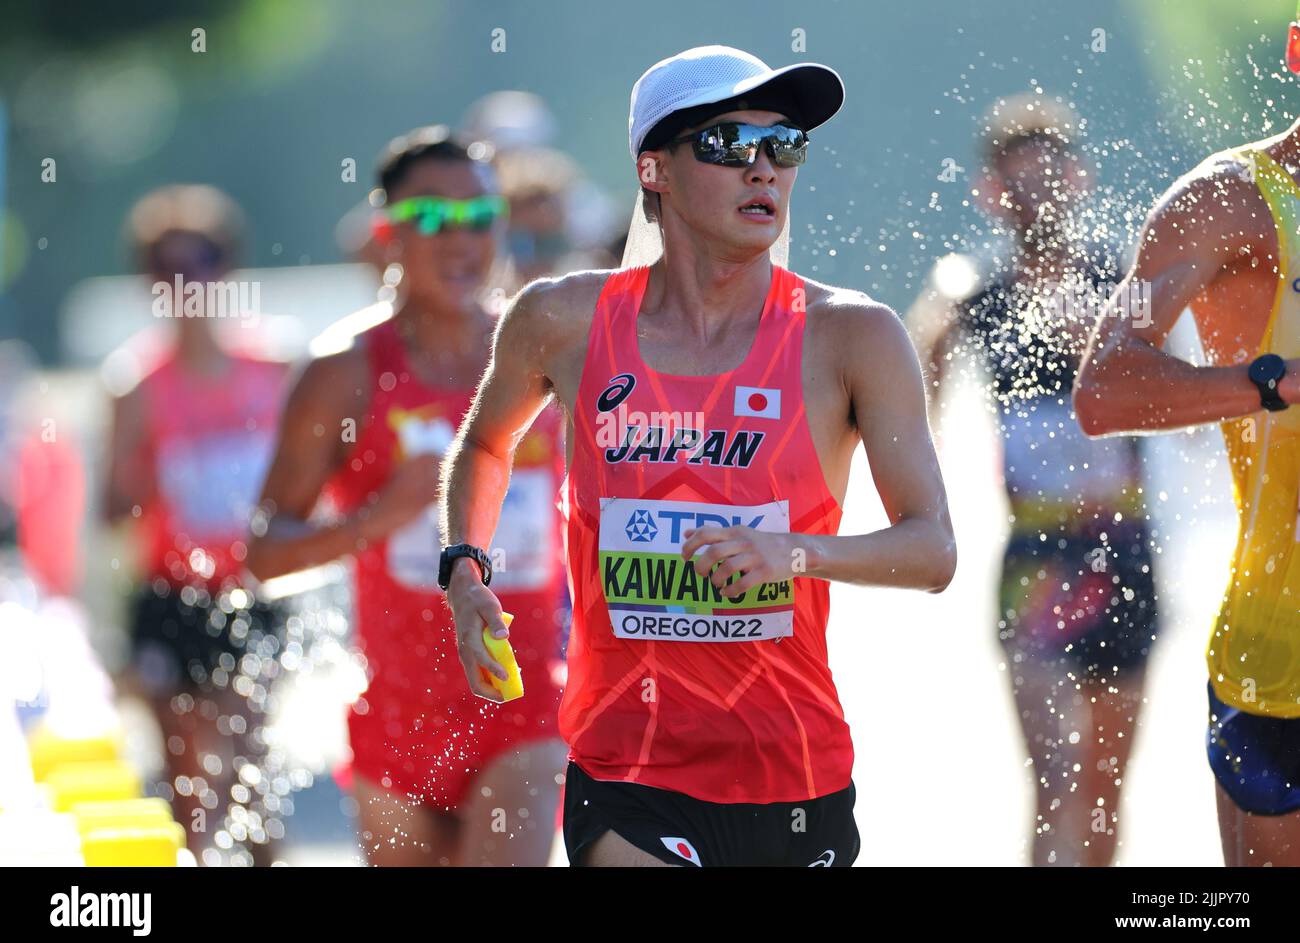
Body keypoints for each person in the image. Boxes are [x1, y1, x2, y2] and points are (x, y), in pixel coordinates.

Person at [439, 45, 956, 867]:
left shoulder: (853, 336)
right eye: (727, 144)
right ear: (656, 171)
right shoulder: (561, 322)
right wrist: (465, 571)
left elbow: (932, 550)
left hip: (794, 772)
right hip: (625, 766)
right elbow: (487, 442)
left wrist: (790, 554)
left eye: (784, 145)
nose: (764, 170)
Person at [245, 125, 568, 867]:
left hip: (523, 711)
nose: (459, 239)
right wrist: (379, 516)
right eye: (430, 219)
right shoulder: (343, 372)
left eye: (478, 217)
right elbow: (264, 555)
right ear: (387, 232)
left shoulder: (550, 354)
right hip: (397, 725)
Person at [1073, 13, 1300, 867]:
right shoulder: (1228, 200)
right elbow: (1103, 386)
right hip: (1283, 658)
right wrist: (1269, 385)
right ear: (1296, 52)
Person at [909, 96, 1160, 866]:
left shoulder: (1126, 280)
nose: (1035, 200)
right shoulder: (972, 294)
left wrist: (1106, 338)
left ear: (1079, 180)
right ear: (992, 194)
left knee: (1106, 785)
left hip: (1123, 554)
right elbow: (912, 411)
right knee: (1054, 780)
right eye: (1018, 187)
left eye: (1049, 182)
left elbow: (1174, 392)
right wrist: (928, 327)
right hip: (1036, 561)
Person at [104, 184, 289, 865]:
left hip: (254, 590)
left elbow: (312, 482)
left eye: (199, 263)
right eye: (166, 269)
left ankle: (268, 859)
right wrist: (143, 480)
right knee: (189, 786)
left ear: (226, 270)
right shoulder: (134, 385)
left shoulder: (274, 367)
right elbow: (109, 514)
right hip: (170, 592)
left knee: (248, 761)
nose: (184, 283)